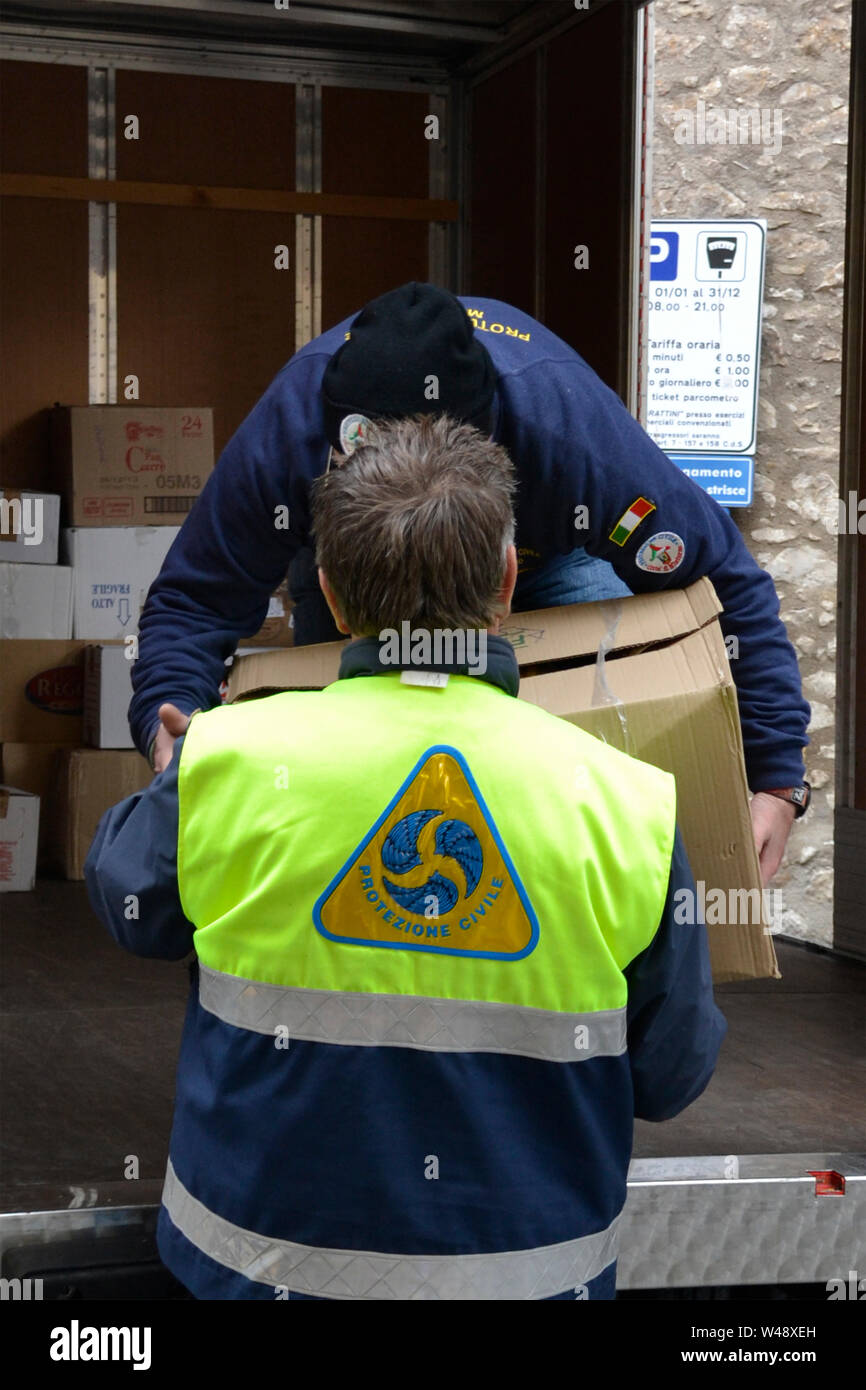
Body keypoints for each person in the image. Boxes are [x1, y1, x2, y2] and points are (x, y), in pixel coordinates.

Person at [87, 415, 726, 1302]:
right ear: (507, 582)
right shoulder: (627, 803)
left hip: (255, 1275)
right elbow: (671, 1073)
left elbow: (128, 902)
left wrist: (179, 775)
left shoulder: (230, 760)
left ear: (329, 594)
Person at [131, 282, 811, 881]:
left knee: (568, 746)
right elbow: (196, 597)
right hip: (353, 567)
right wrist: (171, 722)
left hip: (552, 560)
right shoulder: (287, 435)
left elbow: (725, 581)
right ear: (338, 444)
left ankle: (552, 890)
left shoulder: (572, 443)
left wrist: (775, 781)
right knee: (356, 760)